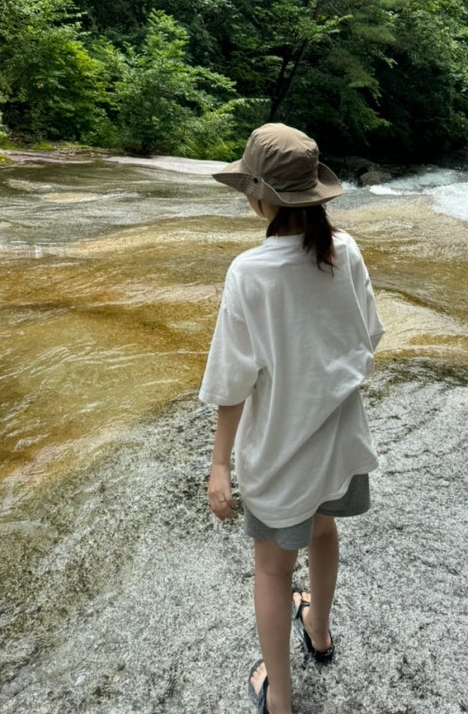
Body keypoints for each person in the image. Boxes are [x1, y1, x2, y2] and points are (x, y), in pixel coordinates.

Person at [199, 122, 384, 714]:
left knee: (273, 570)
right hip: (339, 441)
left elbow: (233, 380)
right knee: (325, 529)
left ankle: (280, 699)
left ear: (259, 200)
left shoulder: (249, 272)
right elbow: (369, 334)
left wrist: (220, 464)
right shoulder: (346, 250)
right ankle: (320, 634)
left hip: (279, 447)